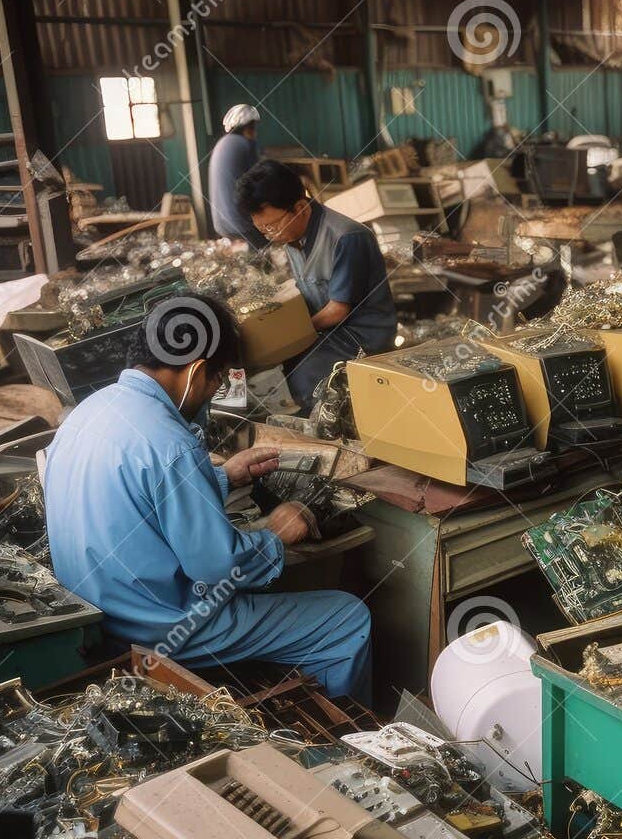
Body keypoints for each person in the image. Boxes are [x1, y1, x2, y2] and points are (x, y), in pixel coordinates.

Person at [44, 294, 376, 707]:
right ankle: (349, 733)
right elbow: (216, 567)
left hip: (99, 615)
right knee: (346, 618)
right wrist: (276, 534)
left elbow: (140, 499)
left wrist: (222, 477)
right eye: (218, 380)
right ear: (197, 370)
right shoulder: (171, 444)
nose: (215, 391)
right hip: (159, 629)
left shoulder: (89, 410)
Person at [235, 159, 396, 412]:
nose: (270, 235)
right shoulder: (293, 235)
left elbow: (337, 310)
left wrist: (288, 336)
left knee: (302, 375)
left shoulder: (347, 237)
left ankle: (332, 428)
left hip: (360, 339)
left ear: (300, 207)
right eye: (262, 229)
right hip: (326, 332)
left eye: (272, 226)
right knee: (261, 370)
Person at [208, 104, 265, 248]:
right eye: (253, 126)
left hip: (220, 224)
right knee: (267, 242)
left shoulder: (222, 143)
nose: (254, 131)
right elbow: (259, 181)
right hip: (241, 225)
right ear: (247, 127)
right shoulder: (246, 144)